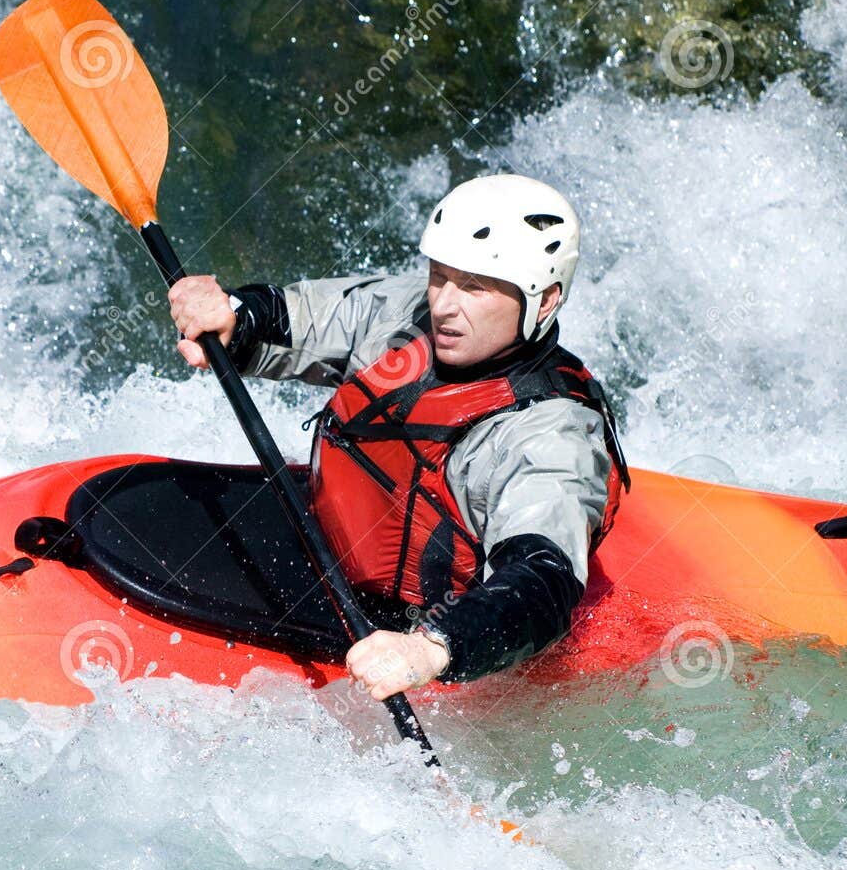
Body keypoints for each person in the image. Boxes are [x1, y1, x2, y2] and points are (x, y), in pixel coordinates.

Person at [168, 174, 628, 702]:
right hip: (327, 554)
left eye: (476, 286)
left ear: (544, 300)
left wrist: (430, 649)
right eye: (440, 275)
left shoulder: (551, 435)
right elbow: (301, 319)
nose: (445, 304)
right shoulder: (414, 314)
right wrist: (233, 316)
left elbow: (540, 581)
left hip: (427, 637)